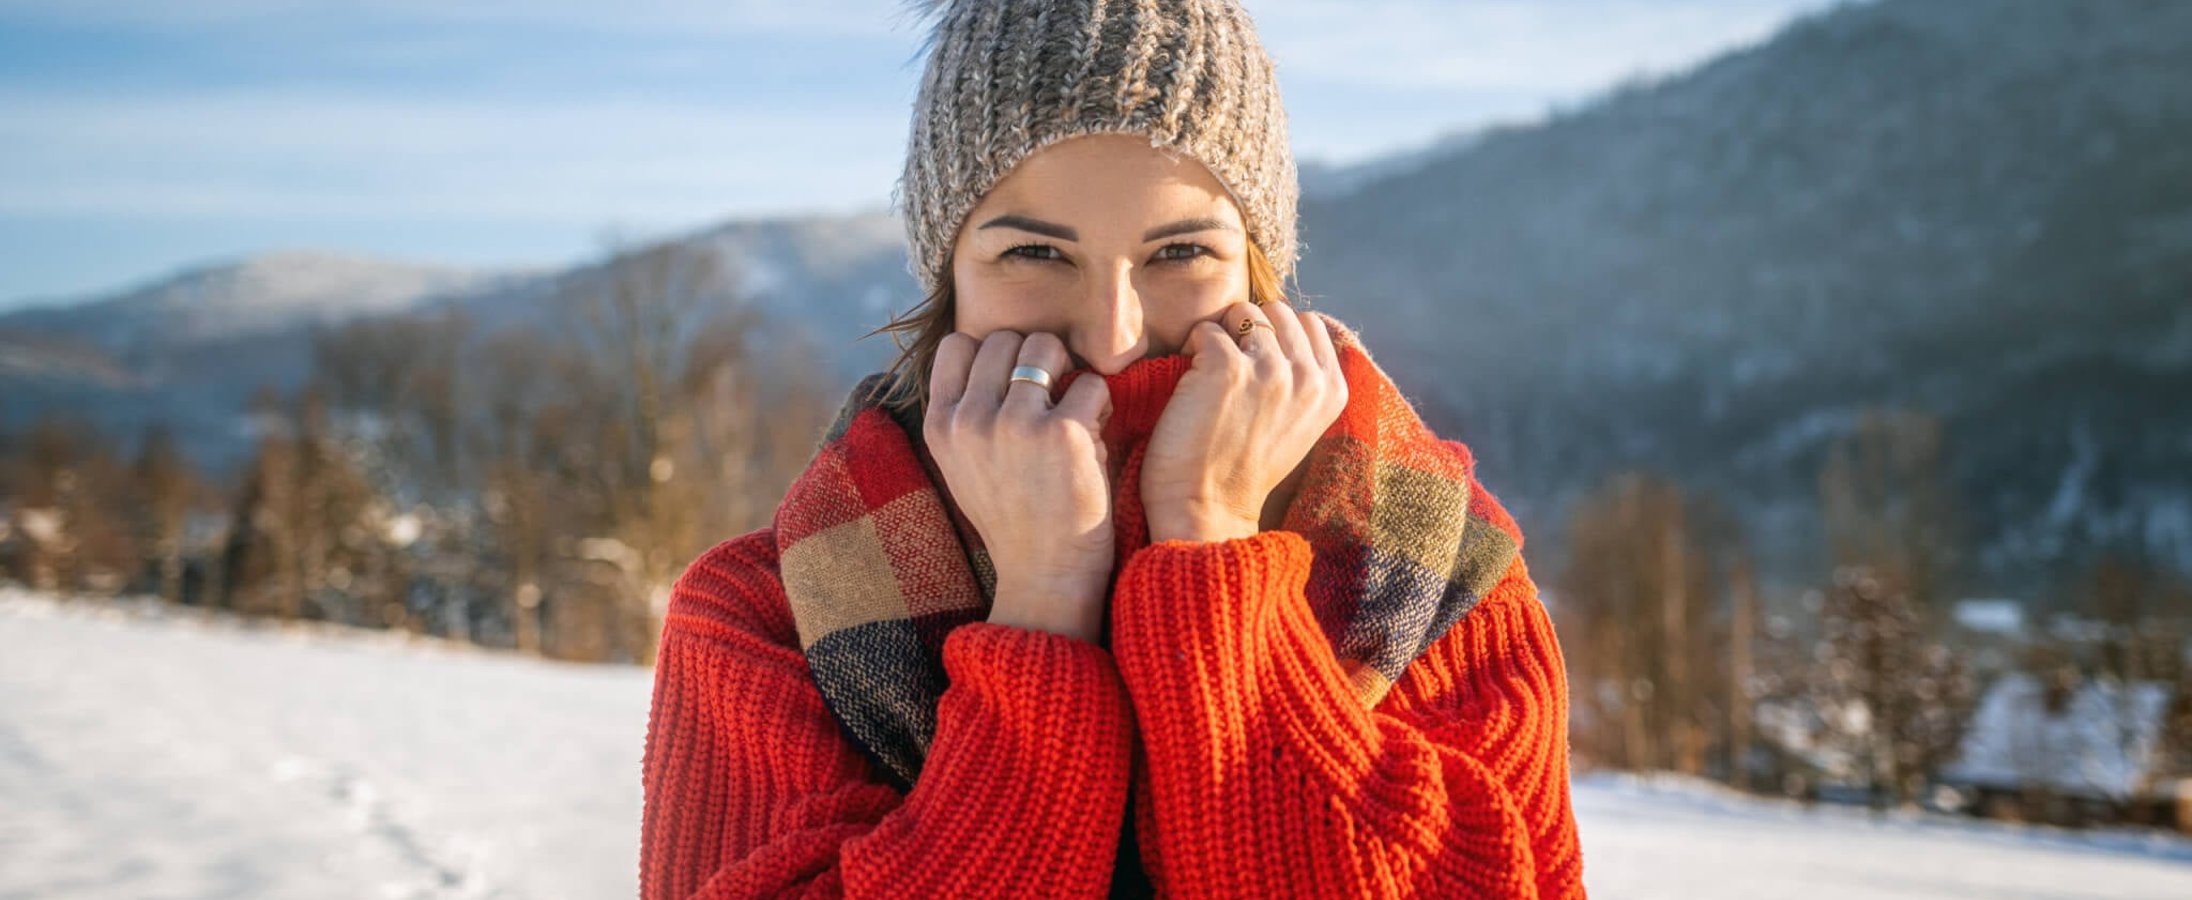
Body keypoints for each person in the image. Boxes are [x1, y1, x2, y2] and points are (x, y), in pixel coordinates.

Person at [638, 1, 1584, 896]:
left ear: (1260, 268)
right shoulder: (767, 617)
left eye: (1181, 255)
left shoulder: (1436, 576)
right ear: (948, 278)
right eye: (1035, 255)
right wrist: (1043, 603)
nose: (1116, 335)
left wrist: (1211, 546)